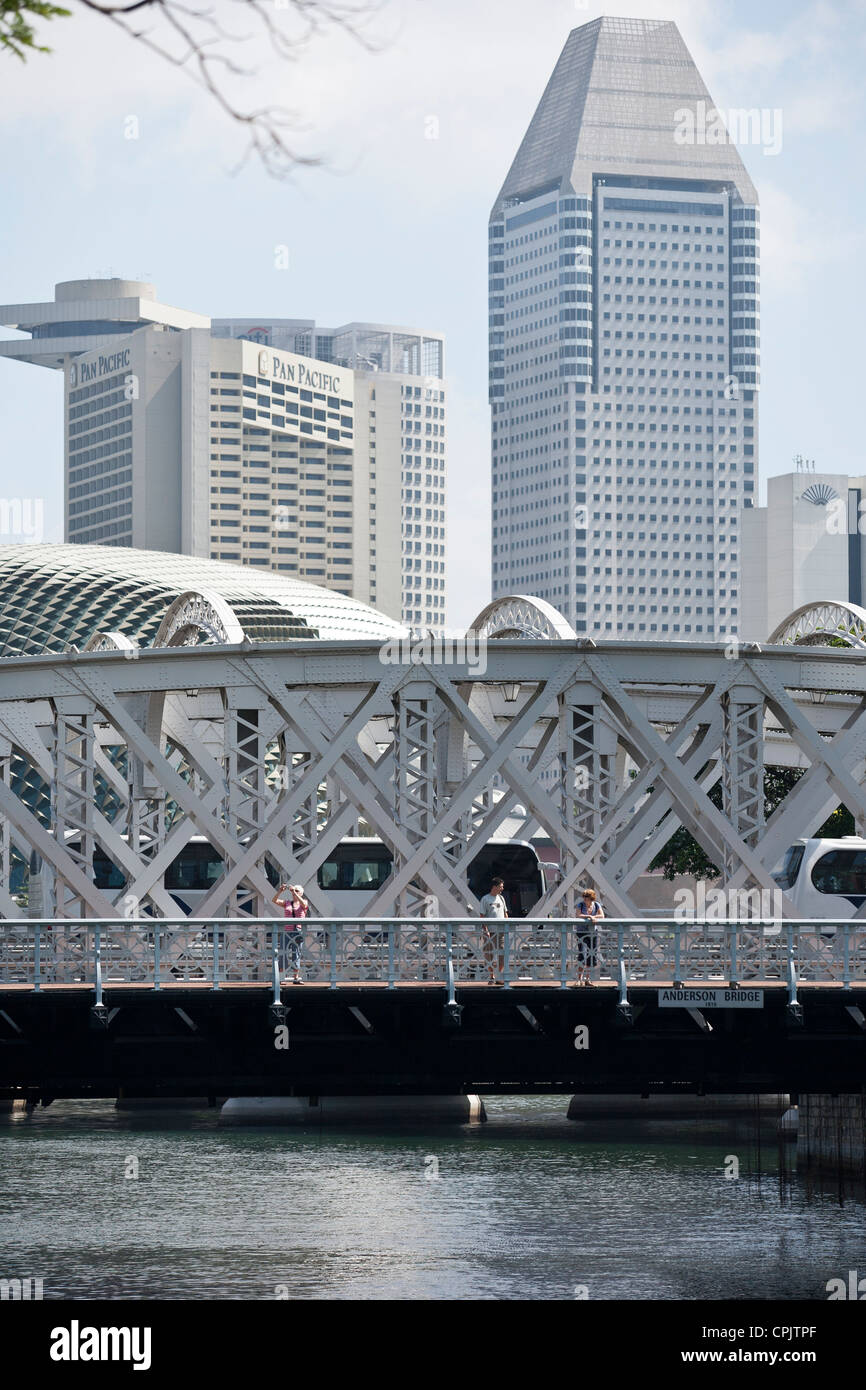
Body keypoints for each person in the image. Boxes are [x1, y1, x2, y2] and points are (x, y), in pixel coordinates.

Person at [271, 882, 309, 984]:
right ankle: (282, 977)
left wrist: (294, 893)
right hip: (287, 930)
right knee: (283, 952)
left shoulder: (303, 902)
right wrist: (280, 891)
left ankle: (296, 977)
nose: (294, 892)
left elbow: (304, 904)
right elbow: (274, 900)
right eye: (293, 890)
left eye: (297, 891)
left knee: (296, 953)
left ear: (301, 893)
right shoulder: (287, 903)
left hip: (297, 931)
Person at [479, 877, 508, 984]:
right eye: (501, 886)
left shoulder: (501, 898)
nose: (502, 888)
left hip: (500, 932)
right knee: (488, 955)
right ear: (494, 887)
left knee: (503, 953)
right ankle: (492, 976)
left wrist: (506, 925)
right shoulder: (485, 899)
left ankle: (498, 975)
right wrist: (485, 930)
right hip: (489, 932)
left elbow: (505, 913)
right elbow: (482, 915)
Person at [575, 887, 604, 986]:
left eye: (587, 897)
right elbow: (578, 915)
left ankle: (587, 979)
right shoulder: (580, 905)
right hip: (581, 933)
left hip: (593, 933)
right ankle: (579, 979)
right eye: (584, 897)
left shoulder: (596, 905)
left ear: (592, 898)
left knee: (591, 956)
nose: (585, 899)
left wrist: (594, 916)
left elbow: (602, 915)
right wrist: (590, 916)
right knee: (582, 955)